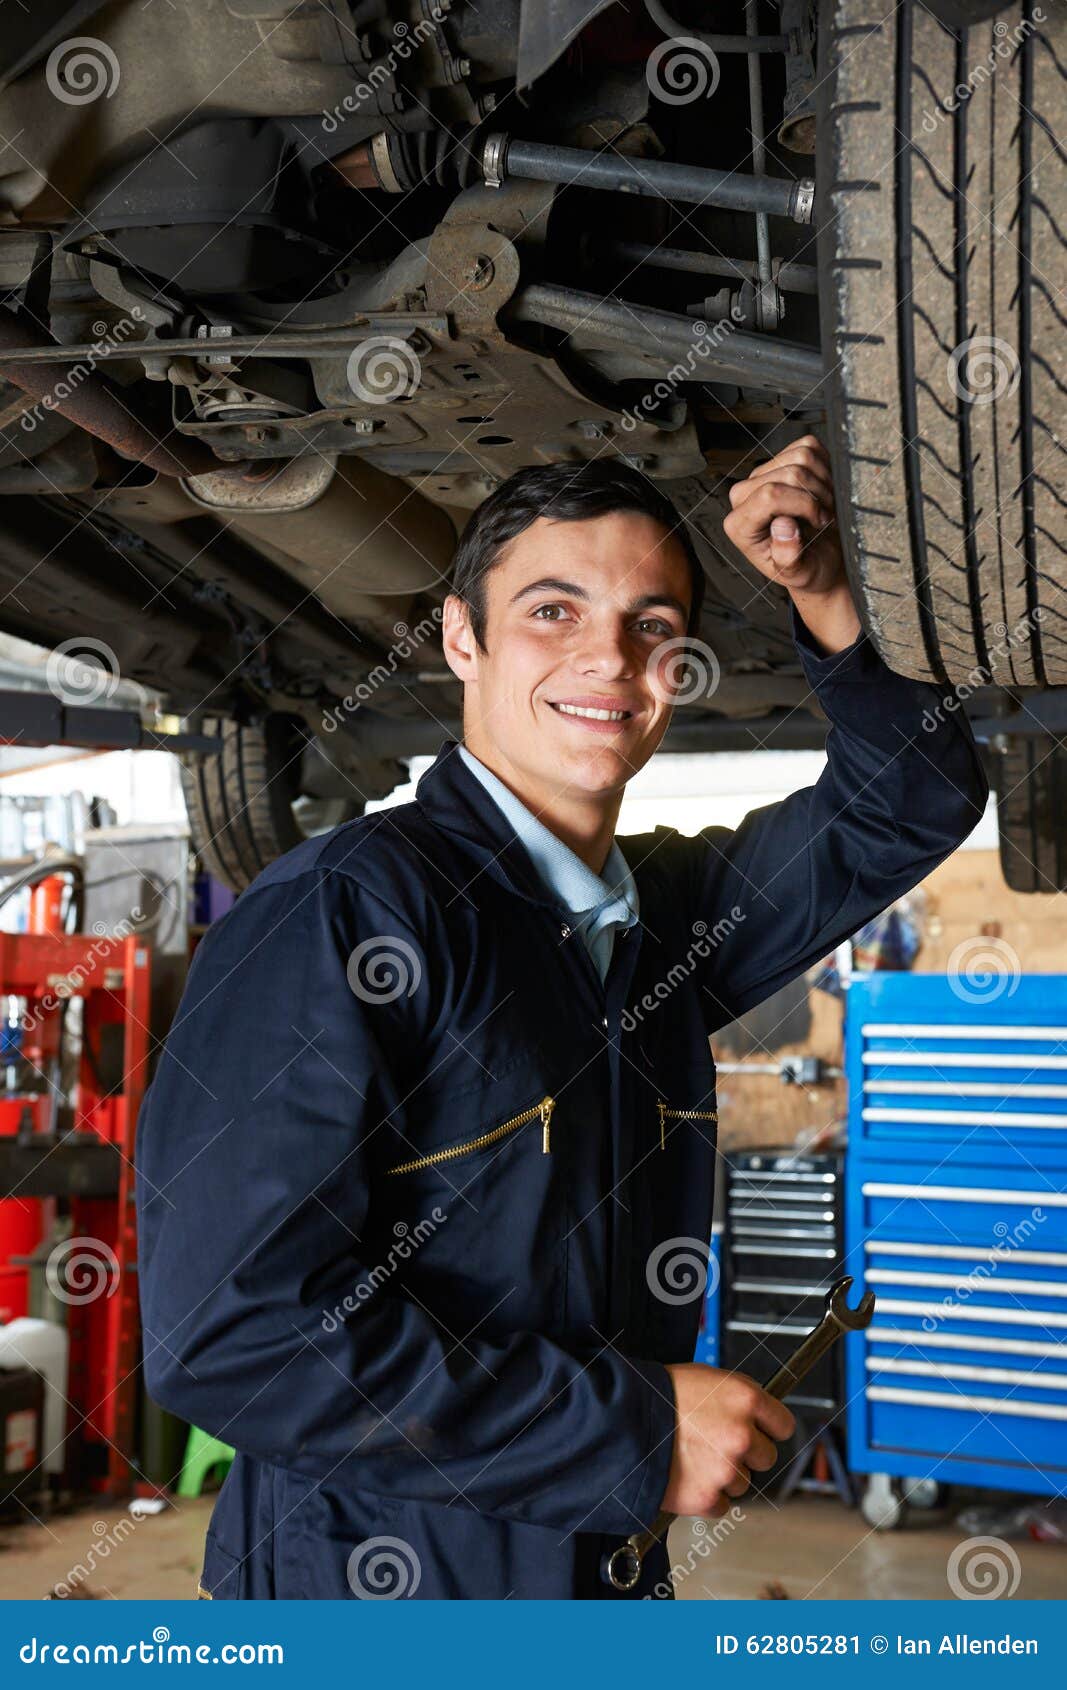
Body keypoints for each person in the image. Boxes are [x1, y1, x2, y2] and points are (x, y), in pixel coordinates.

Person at [135, 437, 988, 1600]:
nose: (609, 657)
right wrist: (629, 1435)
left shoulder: (658, 930)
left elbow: (910, 799)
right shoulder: (341, 914)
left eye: (651, 624)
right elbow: (231, 1334)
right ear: (459, 638)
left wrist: (823, 587)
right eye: (552, 610)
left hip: (595, 1575)